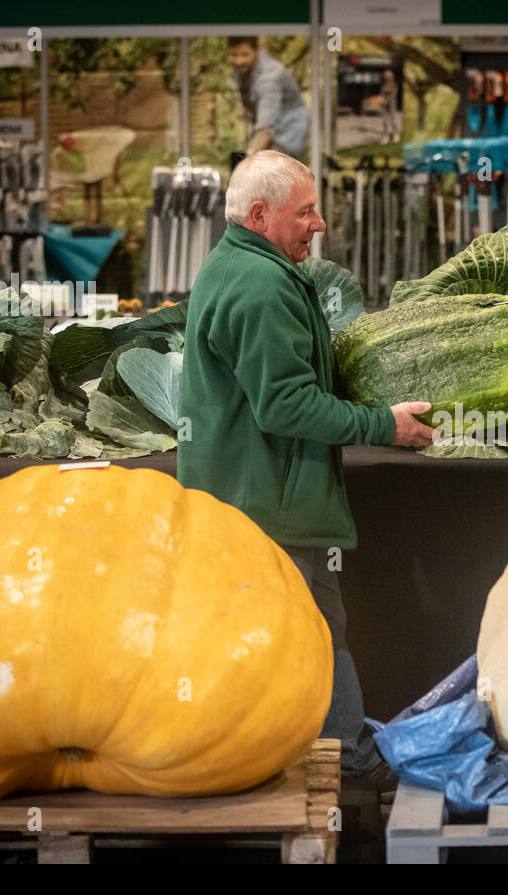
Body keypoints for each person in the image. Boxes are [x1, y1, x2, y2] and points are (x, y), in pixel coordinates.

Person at [177, 151, 435, 790]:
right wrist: (384, 424)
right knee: (311, 634)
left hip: (250, 497)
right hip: (270, 506)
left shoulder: (238, 264)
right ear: (259, 215)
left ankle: (305, 756)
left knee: (299, 635)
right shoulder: (261, 286)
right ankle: (344, 759)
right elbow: (285, 404)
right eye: (307, 212)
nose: (320, 224)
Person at [227, 37, 310, 158]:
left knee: (273, 170)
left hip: (290, 130)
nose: (239, 61)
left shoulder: (269, 78)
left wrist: (247, 161)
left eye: (245, 55)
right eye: (233, 55)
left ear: (257, 50)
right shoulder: (241, 69)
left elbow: (265, 130)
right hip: (270, 127)